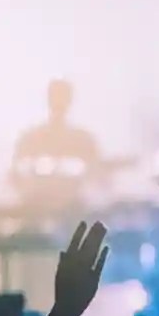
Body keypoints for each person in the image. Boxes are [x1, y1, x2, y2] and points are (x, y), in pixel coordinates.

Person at [10, 79, 103, 229]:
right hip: (35, 208)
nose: (59, 102)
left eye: (62, 97)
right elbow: (15, 173)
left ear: (70, 100)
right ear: (48, 99)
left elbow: (96, 174)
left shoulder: (83, 140)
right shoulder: (31, 138)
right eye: (55, 96)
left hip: (74, 210)